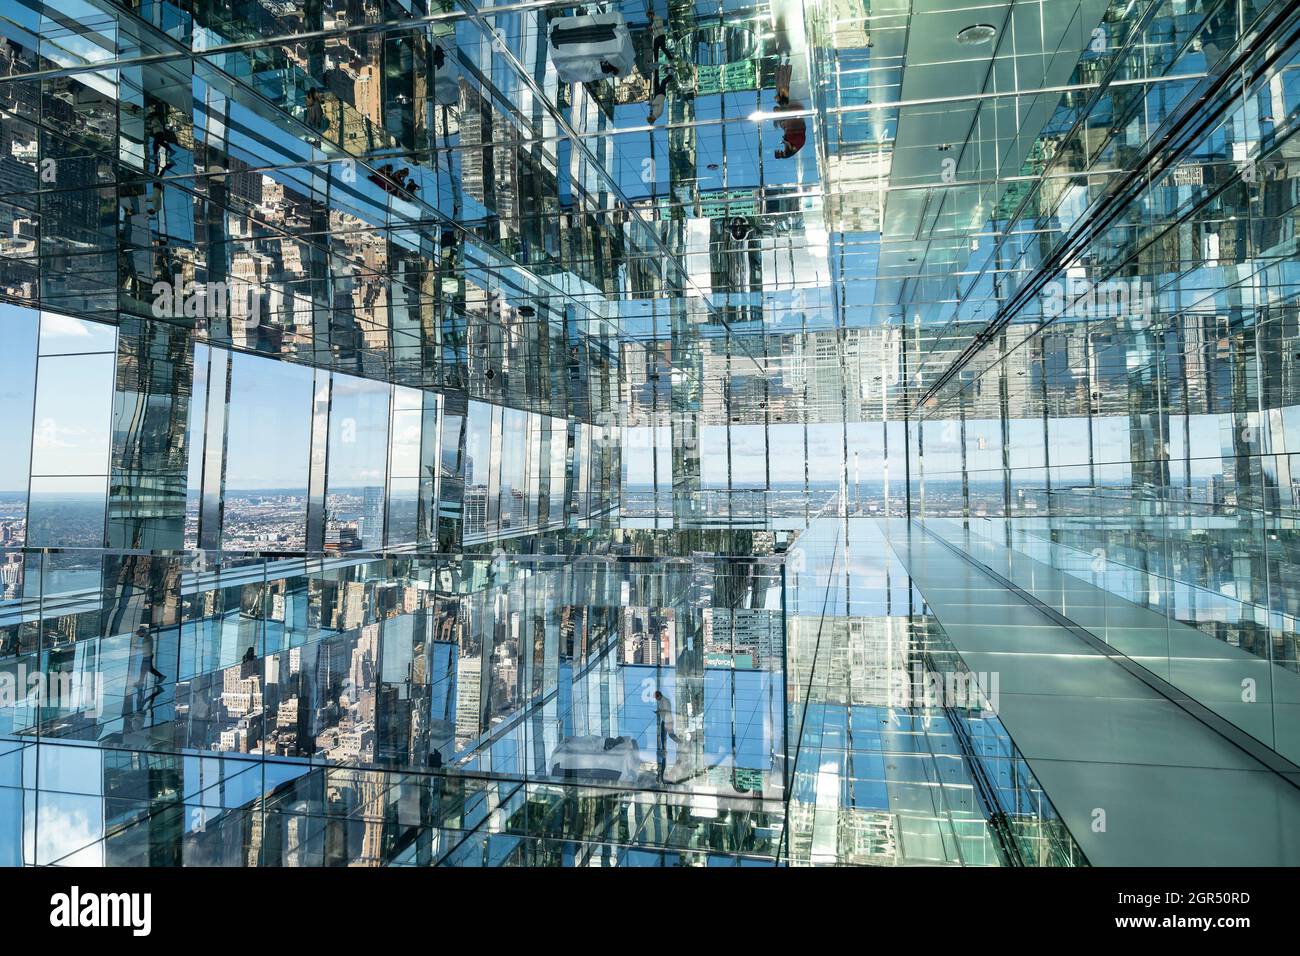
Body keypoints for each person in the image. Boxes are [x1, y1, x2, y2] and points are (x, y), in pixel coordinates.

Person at [653, 690, 682, 781]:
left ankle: (679, 742)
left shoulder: (665, 700)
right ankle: (667, 748)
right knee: (665, 736)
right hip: (665, 721)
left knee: (668, 735)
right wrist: (659, 711)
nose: (656, 699)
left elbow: (666, 710)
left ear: (659, 696)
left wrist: (660, 711)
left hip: (667, 721)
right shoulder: (661, 700)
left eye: (656, 697)